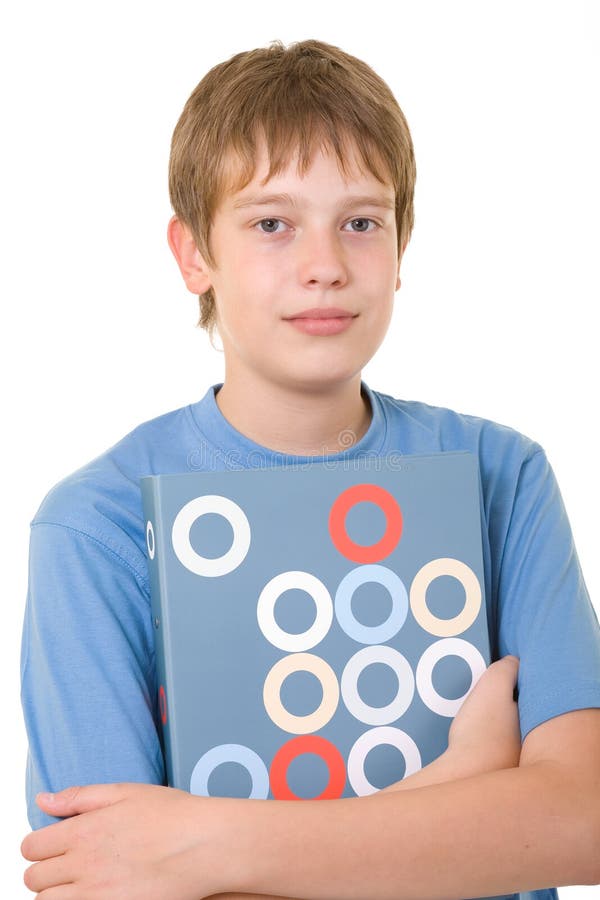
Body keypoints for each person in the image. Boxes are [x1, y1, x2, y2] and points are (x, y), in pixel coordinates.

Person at [20, 38, 600, 900]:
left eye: (361, 221)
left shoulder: (500, 473)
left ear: (402, 246)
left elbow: (580, 822)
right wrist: (463, 782)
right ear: (193, 256)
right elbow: (107, 880)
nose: (325, 264)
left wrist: (203, 851)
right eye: (271, 223)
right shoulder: (93, 525)